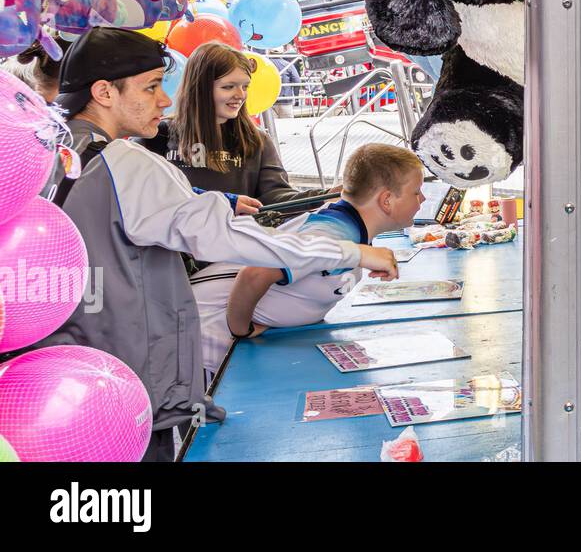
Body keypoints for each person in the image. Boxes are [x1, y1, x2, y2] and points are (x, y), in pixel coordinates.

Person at [38, 27, 399, 462]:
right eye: (151, 87)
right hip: (128, 382)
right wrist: (351, 251)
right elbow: (229, 238)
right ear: (104, 92)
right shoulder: (123, 162)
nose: (164, 100)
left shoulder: (50, 151)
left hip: (57, 374)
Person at [190, 143, 425, 371]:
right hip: (200, 341)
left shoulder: (348, 222)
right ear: (386, 201)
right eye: (416, 192)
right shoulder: (335, 232)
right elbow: (255, 273)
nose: (423, 199)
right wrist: (240, 328)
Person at [144, 42, 326, 208]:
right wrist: (225, 204)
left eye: (245, 87)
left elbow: (275, 195)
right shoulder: (157, 136)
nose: (240, 95)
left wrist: (325, 196)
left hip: (239, 241)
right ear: (200, 88)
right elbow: (145, 198)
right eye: (228, 87)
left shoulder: (257, 140)